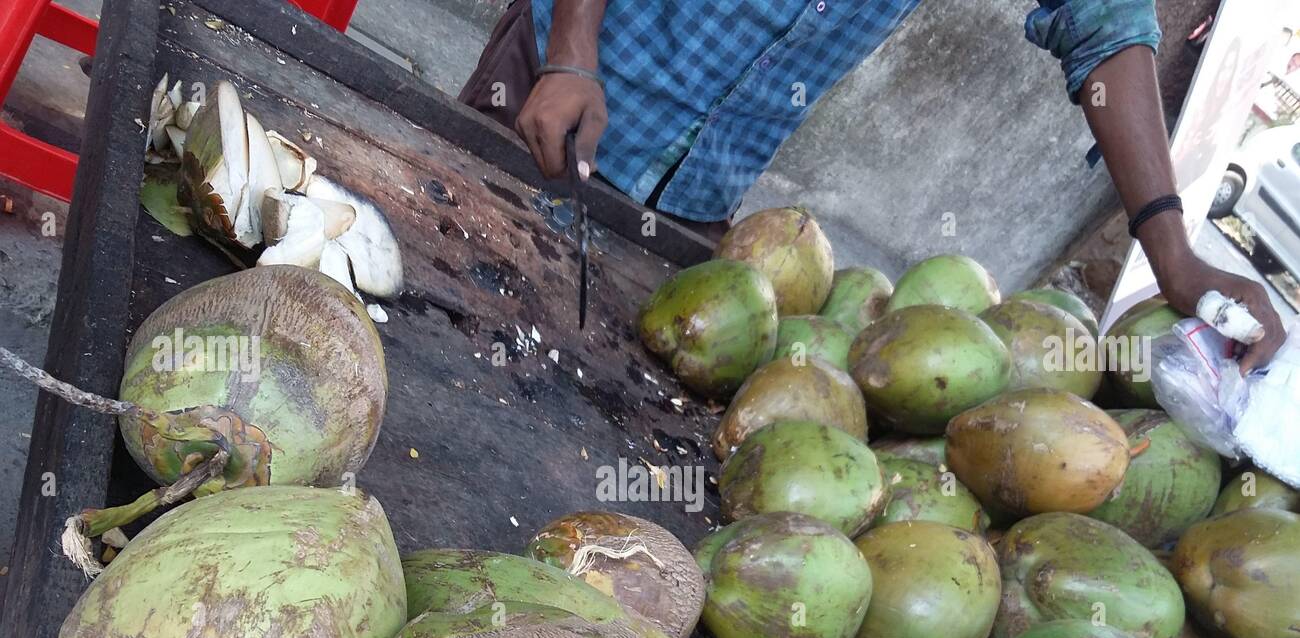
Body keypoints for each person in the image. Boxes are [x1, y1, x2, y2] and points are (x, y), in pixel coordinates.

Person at [460, 1, 1283, 369]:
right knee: (451, 293)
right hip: (560, 87)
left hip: (702, 186)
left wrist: (1172, 250)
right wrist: (572, 45)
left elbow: (1107, 27)